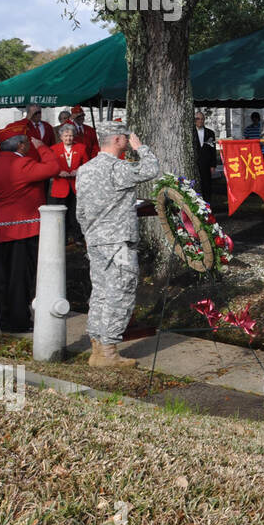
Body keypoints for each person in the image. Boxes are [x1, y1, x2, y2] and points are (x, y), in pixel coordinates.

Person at [75, 122, 160, 367]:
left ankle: (98, 349)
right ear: (117, 140)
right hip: (118, 242)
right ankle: (109, 352)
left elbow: (80, 211)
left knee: (100, 293)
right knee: (120, 293)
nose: (128, 139)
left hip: (96, 240)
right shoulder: (118, 168)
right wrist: (141, 147)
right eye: (125, 137)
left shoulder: (85, 170)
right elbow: (150, 169)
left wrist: (88, 235)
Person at [0, 122, 60, 333]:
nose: (29, 146)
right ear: (20, 146)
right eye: (27, 142)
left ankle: (6, 320)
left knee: (2, 279)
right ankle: (19, 321)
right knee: (20, 279)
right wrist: (43, 147)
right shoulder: (22, 165)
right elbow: (54, 167)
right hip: (22, 229)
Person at [49, 122, 90, 241]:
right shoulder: (53, 149)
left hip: (76, 186)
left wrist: (78, 170)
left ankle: (78, 237)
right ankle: (62, 238)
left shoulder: (81, 148)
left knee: (76, 213)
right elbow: (50, 167)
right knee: (61, 214)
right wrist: (58, 172)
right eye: (66, 136)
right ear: (61, 137)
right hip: (60, 186)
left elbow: (87, 165)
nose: (68, 138)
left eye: (71, 136)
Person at [192, 111, 218, 198]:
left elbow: (212, 150)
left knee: (207, 186)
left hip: (206, 164)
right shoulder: (190, 133)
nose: (200, 121)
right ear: (194, 120)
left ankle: (207, 204)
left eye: (202, 119)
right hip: (194, 164)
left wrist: (213, 165)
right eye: (198, 119)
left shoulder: (210, 133)